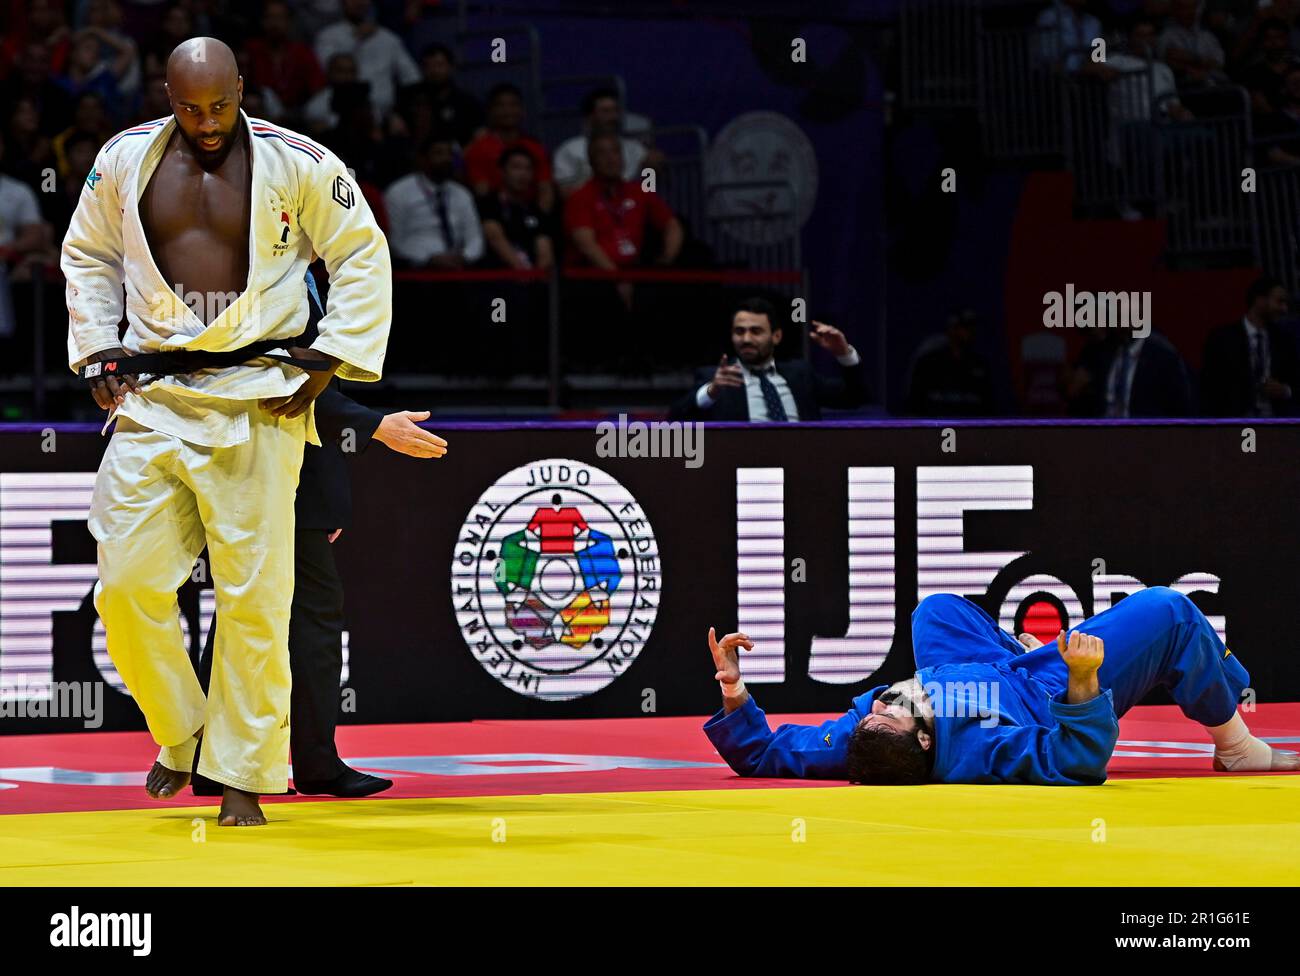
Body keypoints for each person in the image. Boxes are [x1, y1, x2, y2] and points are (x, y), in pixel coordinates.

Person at [63, 37, 391, 826]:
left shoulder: (301, 162)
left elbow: (360, 252)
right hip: (154, 394)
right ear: (165, 95)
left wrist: (333, 358)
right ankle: (183, 731)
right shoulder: (123, 160)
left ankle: (243, 775)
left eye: (219, 105)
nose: (206, 122)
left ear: (243, 88)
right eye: (189, 107)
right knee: (127, 585)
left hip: (259, 395)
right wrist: (97, 350)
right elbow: (87, 255)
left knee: (253, 598)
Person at [191, 271, 447, 799]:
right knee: (295, 621)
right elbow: (276, 382)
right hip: (258, 464)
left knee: (253, 613)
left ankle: (220, 760)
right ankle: (291, 762)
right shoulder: (258, 272)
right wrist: (377, 425)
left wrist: (328, 494)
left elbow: (309, 383)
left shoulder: (299, 274)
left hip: (294, 475)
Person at [704, 588, 1300, 785]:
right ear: (924, 745)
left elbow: (763, 755)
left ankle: (1019, 655)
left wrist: (734, 691)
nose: (883, 700)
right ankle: (1235, 744)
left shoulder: (858, 744)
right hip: (1042, 692)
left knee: (934, 611)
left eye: (877, 710)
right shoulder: (986, 749)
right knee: (1169, 611)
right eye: (897, 712)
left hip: (979, 670)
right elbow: (1077, 760)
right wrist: (1084, 681)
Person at [668, 297, 868, 422]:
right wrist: (711, 391)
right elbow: (675, 418)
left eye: (756, 331)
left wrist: (844, 354)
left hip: (802, 465)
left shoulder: (800, 374)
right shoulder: (717, 379)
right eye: (739, 331)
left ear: (776, 336)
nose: (746, 339)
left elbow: (853, 397)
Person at [1201, 275, 1299, 417]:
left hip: (1277, 424)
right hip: (1234, 423)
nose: (1284, 309)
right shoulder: (1222, 339)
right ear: (1259, 300)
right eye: (1280, 302)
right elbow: (1209, 387)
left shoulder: (1285, 340)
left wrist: (1285, 391)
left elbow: (1296, 381)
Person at [384, 134, 484, 269]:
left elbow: (475, 238)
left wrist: (465, 257)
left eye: (449, 154)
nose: (446, 159)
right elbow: (394, 241)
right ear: (422, 159)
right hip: (415, 270)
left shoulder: (462, 194)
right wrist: (427, 259)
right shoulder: (399, 192)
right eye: (439, 153)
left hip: (459, 268)